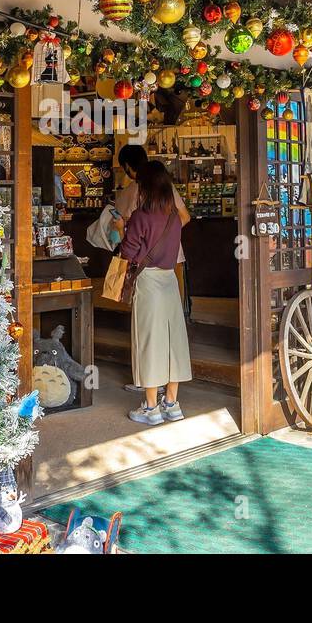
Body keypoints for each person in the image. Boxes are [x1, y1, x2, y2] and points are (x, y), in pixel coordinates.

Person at [119, 161, 192, 425]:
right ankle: (172, 403)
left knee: (150, 341)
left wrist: (121, 231)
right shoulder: (174, 217)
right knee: (174, 341)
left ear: (145, 187)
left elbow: (128, 252)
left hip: (148, 282)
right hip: (169, 280)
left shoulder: (140, 216)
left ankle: (151, 407)